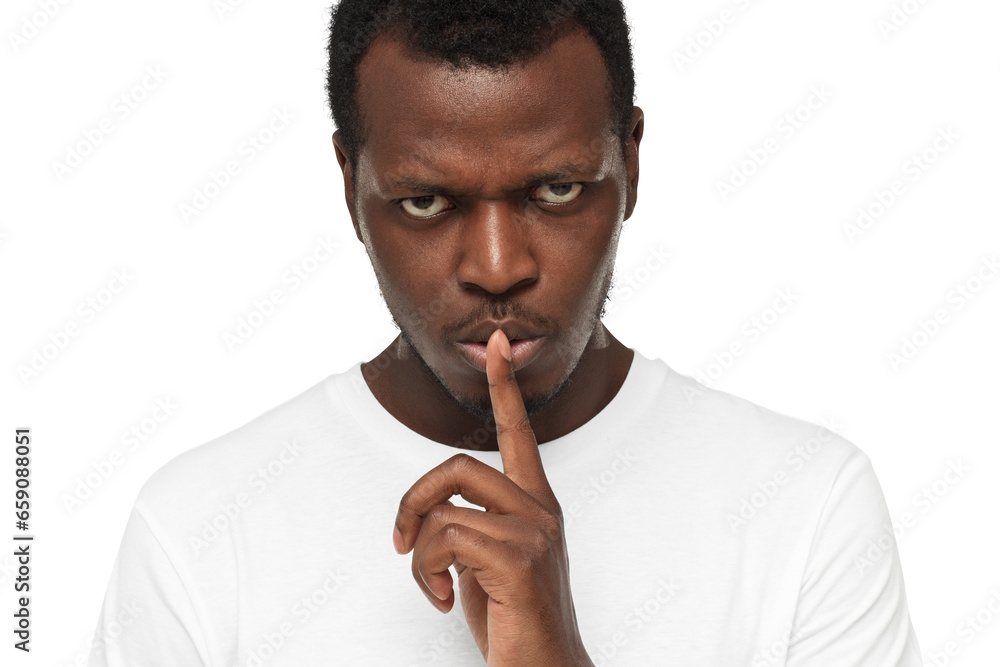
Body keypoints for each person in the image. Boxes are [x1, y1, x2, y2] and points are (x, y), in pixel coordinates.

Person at [88, 1, 923, 664]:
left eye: (555, 189)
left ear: (629, 164)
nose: (496, 267)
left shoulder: (808, 506)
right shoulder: (197, 527)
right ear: (350, 187)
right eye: (425, 201)